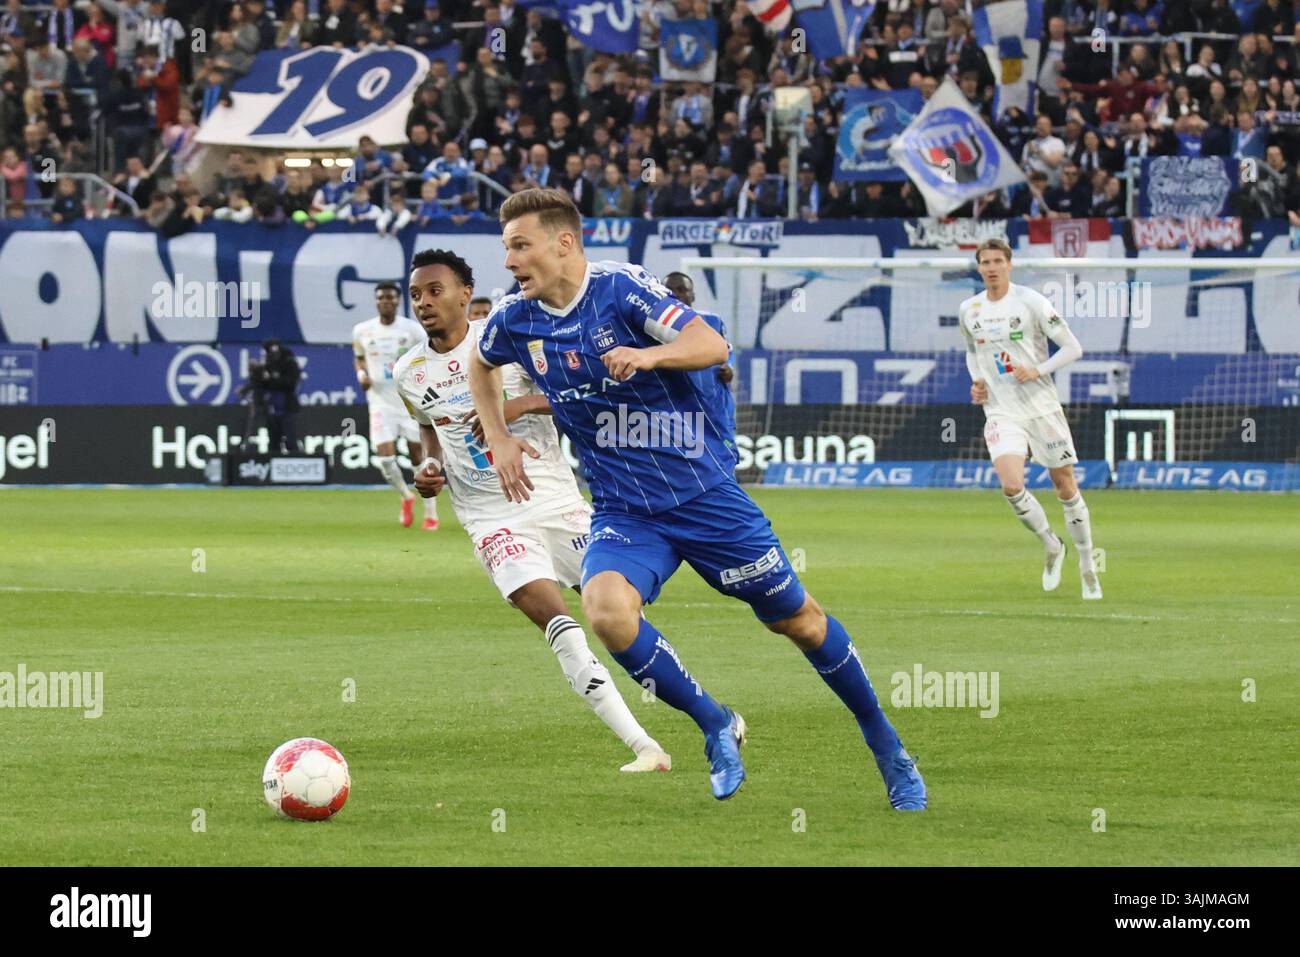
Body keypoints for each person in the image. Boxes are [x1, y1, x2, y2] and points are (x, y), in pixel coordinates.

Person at [467, 189, 926, 808]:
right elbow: (480, 362)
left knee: (801, 622)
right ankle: (715, 722)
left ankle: (886, 744)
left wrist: (650, 353)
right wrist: (498, 434)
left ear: (564, 242)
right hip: (625, 511)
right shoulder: (516, 318)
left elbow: (712, 346)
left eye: (520, 245)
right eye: (507, 248)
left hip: (705, 499)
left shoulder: (621, 289)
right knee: (606, 612)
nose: (510, 260)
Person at [394, 248, 671, 773]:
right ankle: (644, 746)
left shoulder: (507, 337)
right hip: (489, 517)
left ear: (464, 295)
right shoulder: (407, 371)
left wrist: (513, 406)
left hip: (553, 498)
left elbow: (570, 388)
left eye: (434, 291)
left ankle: (707, 712)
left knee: (619, 614)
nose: (424, 303)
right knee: (556, 621)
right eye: (416, 296)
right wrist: (428, 468)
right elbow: (428, 428)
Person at [959, 239, 1100, 600]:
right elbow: (972, 353)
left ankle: (1087, 564)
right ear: (979, 268)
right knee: (1010, 484)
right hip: (1002, 411)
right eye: (985, 262)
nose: (991, 267)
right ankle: (1051, 545)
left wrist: (1036, 370)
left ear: (1009, 264)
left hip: (1041, 408)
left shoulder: (1031, 302)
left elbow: (1073, 348)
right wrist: (977, 382)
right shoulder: (970, 309)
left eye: (997, 261)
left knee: (1065, 487)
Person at [352, 281, 437, 530]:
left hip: (409, 401)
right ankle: (406, 497)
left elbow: (429, 356)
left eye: (390, 298)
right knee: (386, 459)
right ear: (376, 301)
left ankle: (431, 511)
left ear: (397, 301)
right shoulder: (362, 331)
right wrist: (361, 376)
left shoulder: (412, 330)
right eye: (381, 298)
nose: (386, 302)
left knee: (417, 456)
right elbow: (358, 358)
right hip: (379, 402)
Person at [663, 271, 736, 460]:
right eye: (670, 290)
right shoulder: (651, 328)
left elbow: (728, 353)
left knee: (725, 462)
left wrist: (729, 368)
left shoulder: (712, 322)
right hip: (677, 414)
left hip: (715, 411)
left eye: (682, 290)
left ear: (692, 295)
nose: (677, 295)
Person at [239, 339, 302, 453]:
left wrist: (271, 378)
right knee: (274, 440)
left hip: (287, 408)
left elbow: (290, 383)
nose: (274, 355)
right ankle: (274, 461)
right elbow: (259, 383)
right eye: (271, 352)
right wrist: (246, 388)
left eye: (276, 352)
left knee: (290, 439)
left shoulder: (289, 363)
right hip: (272, 410)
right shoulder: (268, 366)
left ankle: (295, 459)